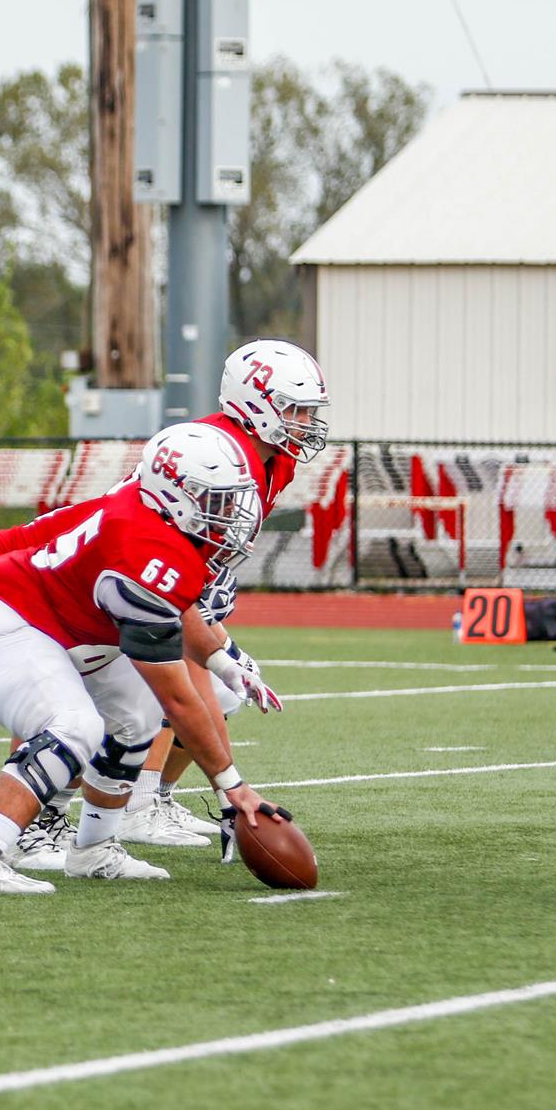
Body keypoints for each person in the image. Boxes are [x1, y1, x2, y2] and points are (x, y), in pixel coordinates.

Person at [0, 421, 288, 896]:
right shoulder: (142, 548)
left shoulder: (158, 522)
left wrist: (223, 661)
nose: (232, 513)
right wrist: (232, 787)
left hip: (46, 612)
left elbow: (177, 601)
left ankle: (93, 849)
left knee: (136, 716)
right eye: (217, 499)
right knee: (73, 723)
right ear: (176, 496)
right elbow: (179, 696)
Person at [119, 339, 322, 849]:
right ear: (256, 404)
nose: (305, 422)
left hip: (173, 574)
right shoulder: (217, 456)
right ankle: (136, 806)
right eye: (294, 409)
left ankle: (157, 796)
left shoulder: (271, 457)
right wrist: (233, 791)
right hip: (129, 577)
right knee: (178, 687)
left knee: (229, 689)